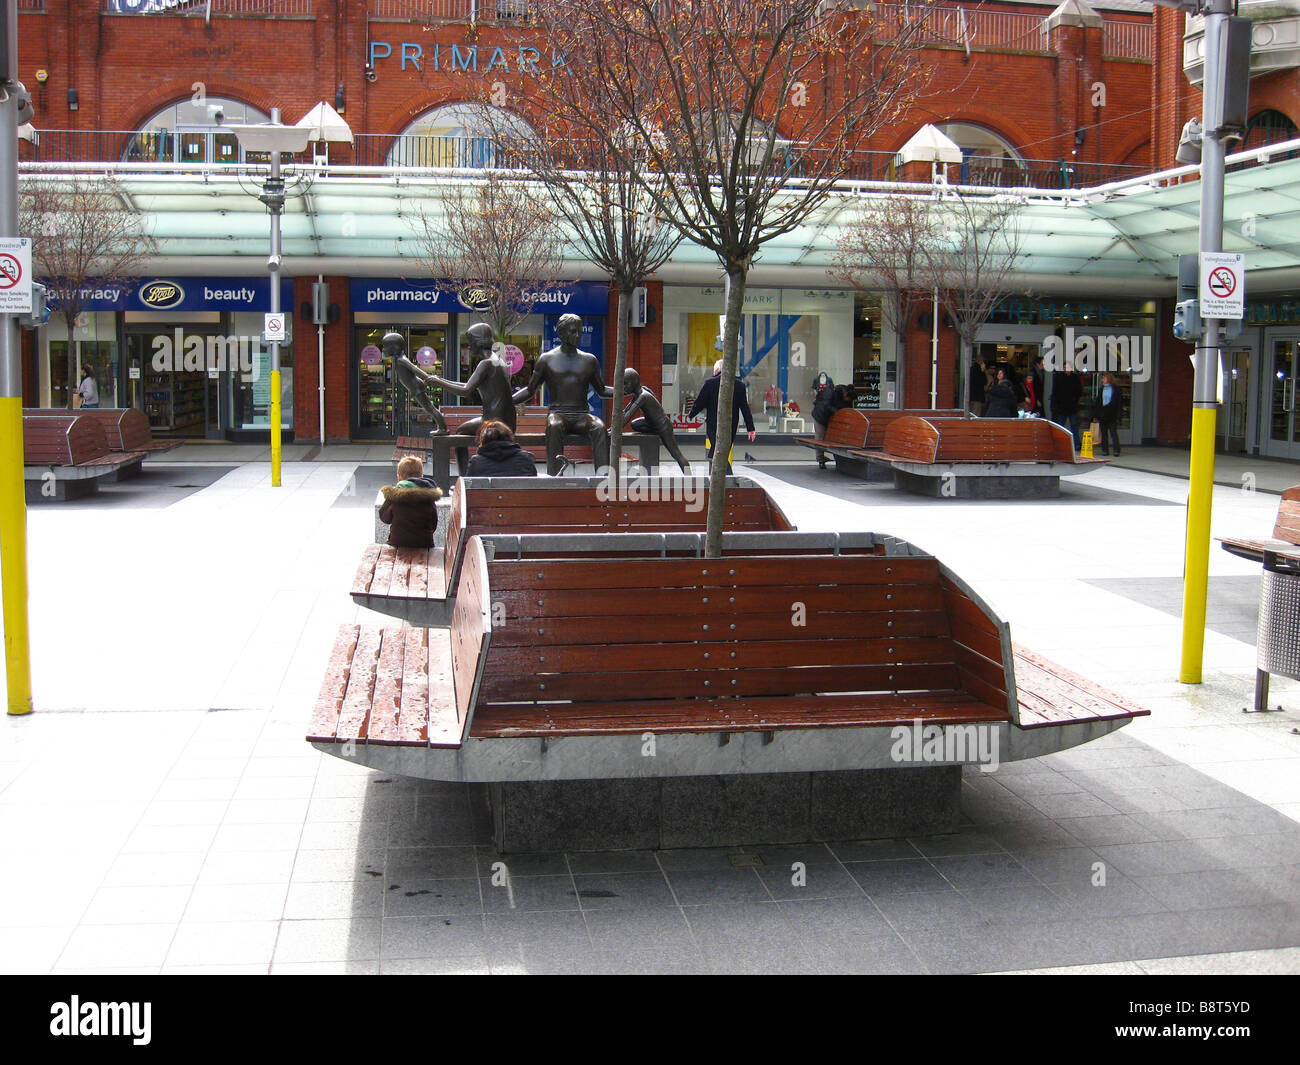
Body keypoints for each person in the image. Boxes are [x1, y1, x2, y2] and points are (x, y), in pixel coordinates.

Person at [512, 313, 612, 475]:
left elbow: (602, 390)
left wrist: (624, 391)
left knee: (599, 427)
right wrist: (509, 400)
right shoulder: (546, 359)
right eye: (573, 332)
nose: (578, 335)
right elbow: (531, 390)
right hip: (558, 414)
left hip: (582, 416)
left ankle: (604, 479)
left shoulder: (590, 360)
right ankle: (555, 478)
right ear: (561, 333)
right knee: (554, 426)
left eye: (580, 331)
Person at [414, 322, 517, 437]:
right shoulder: (497, 360)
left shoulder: (486, 363)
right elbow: (468, 385)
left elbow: (465, 391)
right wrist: (441, 380)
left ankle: (464, 456)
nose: (469, 346)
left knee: (460, 431)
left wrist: (439, 382)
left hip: (494, 422)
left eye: (470, 342)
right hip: (508, 422)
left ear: (478, 341)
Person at [689, 359, 756, 474]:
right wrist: (751, 428)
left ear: (717, 370)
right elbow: (745, 408)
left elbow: (700, 403)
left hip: (713, 424)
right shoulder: (739, 385)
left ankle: (723, 478)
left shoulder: (709, 383)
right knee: (722, 451)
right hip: (731, 425)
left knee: (718, 451)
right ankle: (719, 476)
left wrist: (690, 415)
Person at [620, 367, 691, 474]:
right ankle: (654, 432)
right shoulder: (640, 392)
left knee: (676, 454)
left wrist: (616, 429)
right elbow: (626, 411)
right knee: (635, 424)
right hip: (651, 424)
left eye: (626, 384)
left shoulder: (643, 396)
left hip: (664, 427)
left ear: (634, 383)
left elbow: (628, 415)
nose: (624, 387)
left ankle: (690, 478)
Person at [389, 332, 449, 435]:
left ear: (395, 347)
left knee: (430, 408)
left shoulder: (402, 359)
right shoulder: (398, 359)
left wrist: (427, 377)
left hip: (416, 387)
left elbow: (414, 369)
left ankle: (443, 428)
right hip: (414, 387)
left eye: (386, 346)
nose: (384, 349)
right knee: (429, 408)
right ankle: (442, 427)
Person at [378, 455, 443, 548]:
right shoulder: (428, 496)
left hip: (397, 544)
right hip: (424, 545)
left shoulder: (394, 495)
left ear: (399, 477)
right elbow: (433, 524)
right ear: (421, 476)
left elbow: (384, 518)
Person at [464, 420, 538, 477]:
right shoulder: (525, 458)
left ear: (483, 441)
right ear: (509, 438)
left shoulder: (476, 462)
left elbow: (468, 489)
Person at [811, 382, 852, 469]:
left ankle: (833, 459)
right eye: (847, 398)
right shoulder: (829, 393)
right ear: (844, 394)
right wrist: (836, 411)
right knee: (820, 437)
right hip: (820, 417)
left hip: (830, 418)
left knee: (833, 438)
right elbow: (825, 406)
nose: (847, 399)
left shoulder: (844, 398)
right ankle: (820, 459)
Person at [1049, 361, 1083, 449]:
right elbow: (1055, 392)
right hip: (1062, 406)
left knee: (1074, 426)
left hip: (1072, 406)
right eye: (1065, 368)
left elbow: (1079, 391)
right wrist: (1056, 405)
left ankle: (1076, 444)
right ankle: (1059, 443)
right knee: (1061, 427)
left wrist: (1075, 400)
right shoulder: (1059, 377)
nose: (1066, 370)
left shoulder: (1075, 378)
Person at [1094, 372, 1123, 456]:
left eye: (1104, 378)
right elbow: (1098, 402)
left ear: (1108, 379)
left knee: (1113, 433)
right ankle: (1105, 450)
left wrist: (1119, 415)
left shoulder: (1116, 390)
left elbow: (1119, 403)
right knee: (1104, 433)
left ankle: (1116, 450)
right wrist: (1096, 415)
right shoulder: (1101, 389)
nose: (1102, 380)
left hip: (1112, 414)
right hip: (1103, 414)